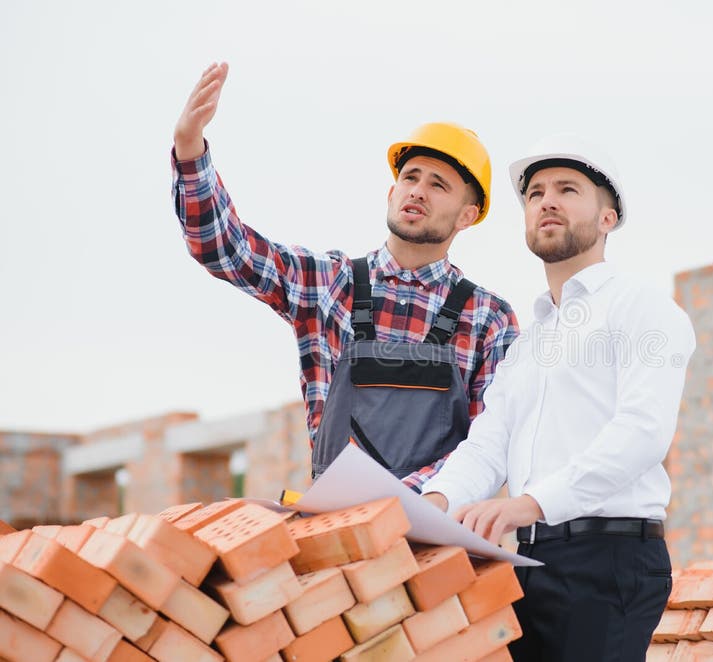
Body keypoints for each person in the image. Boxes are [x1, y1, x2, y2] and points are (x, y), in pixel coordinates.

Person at [171, 62, 518, 483]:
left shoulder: (488, 318)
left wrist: (406, 499)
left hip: (434, 521)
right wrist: (189, 148)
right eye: (410, 177)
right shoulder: (328, 284)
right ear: (391, 194)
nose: (417, 191)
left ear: (467, 215)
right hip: (336, 519)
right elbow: (224, 247)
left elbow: (488, 445)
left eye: (437, 184)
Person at [421, 135, 696, 661]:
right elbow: (487, 447)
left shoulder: (642, 308)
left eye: (567, 190)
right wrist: (435, 505)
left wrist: (529, 504)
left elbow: (642, 432)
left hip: (608, 561)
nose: (547, 201)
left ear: (608, 218)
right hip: (527, 562)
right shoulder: (528, 344)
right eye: (535, 193)